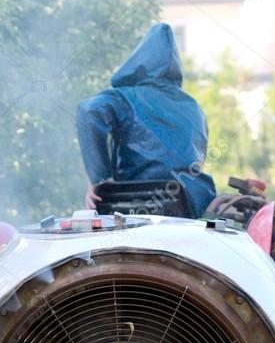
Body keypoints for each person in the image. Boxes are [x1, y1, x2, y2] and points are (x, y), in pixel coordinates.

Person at [75, 23, 216, 218]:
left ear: (137, 60)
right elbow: (198, 158)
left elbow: (89, 110)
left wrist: (99, 178)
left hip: (136, 202)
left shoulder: (125, 97)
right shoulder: (194, 108)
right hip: (195, 203)